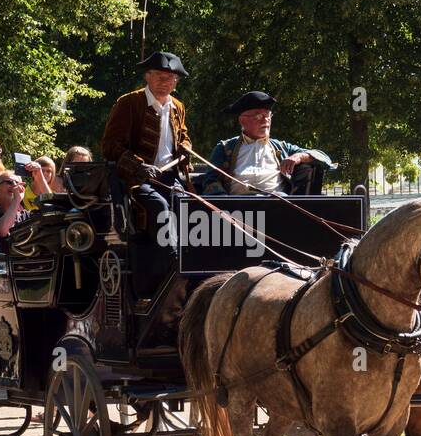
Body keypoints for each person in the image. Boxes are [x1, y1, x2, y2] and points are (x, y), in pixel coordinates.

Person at [100, 50, 194, 297]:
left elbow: (183, 136)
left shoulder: (178, 107)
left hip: (170, 177)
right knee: (160, 207)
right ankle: (175, 264)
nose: (167, 81)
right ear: (148, 76)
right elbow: (110, 147)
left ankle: (194, 264)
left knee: (188, 207)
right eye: (162, 76)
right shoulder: (128, 103)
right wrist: (138, 165)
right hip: (136, 180)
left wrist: (186, 148)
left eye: (172, 78)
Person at [203, 91, 332, 195]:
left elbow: (325, 159)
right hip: (238, 211)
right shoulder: (225, 148)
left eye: (268, 116)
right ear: (242, 121)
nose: (265, 121)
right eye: (258, 116)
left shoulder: (281, 147)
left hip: (278, 207)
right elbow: (210, 181)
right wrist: (226, 205)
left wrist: (298, 156)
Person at [0, 171, 30, 246]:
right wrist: (17, 200)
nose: (14, 186)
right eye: (9, 182)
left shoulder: (27, 216)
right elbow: (2, 231)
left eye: (17, 183)